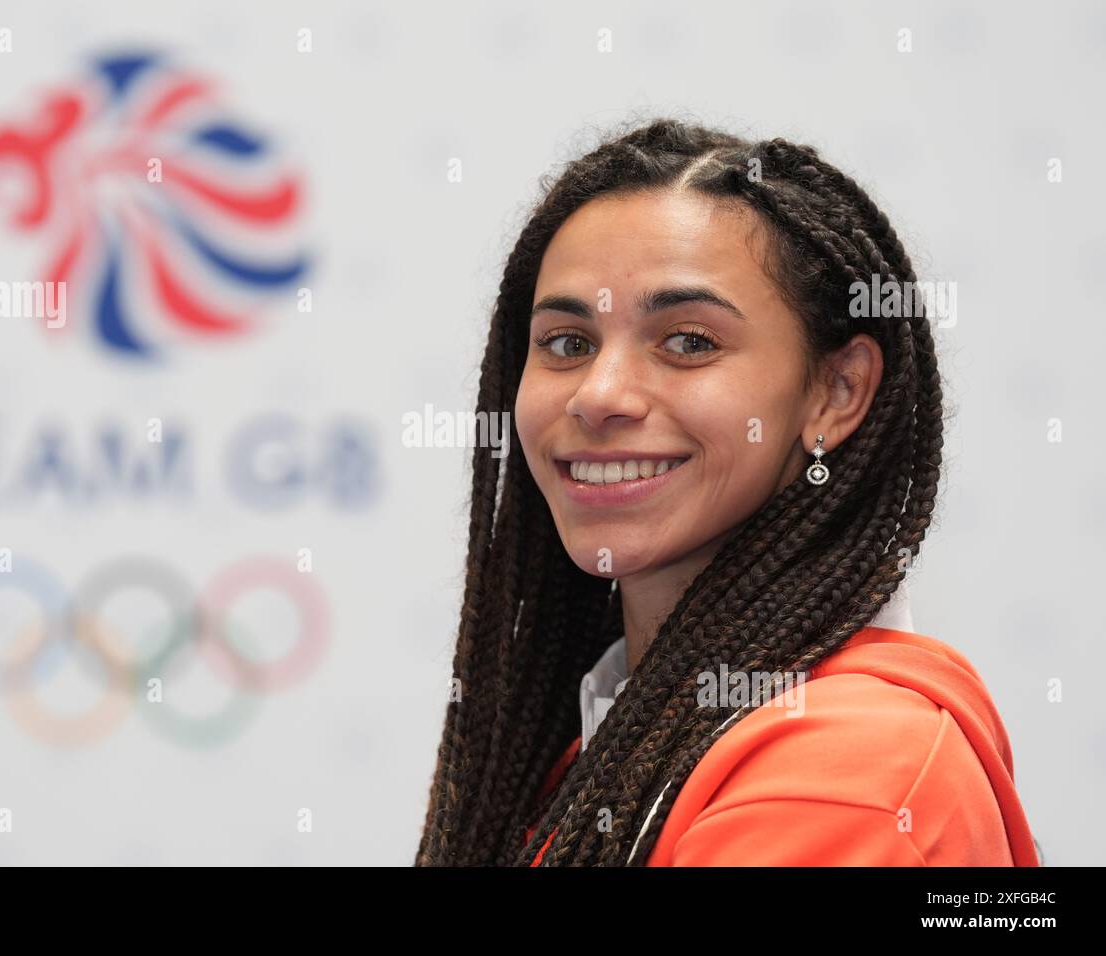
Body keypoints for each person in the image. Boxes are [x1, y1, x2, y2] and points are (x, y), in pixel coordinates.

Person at [414, 118, 1040, 867]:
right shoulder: (614, 743)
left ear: (837, 392)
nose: (599, 394)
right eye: (567, 343)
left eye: (688, 342)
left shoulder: (848, 771)